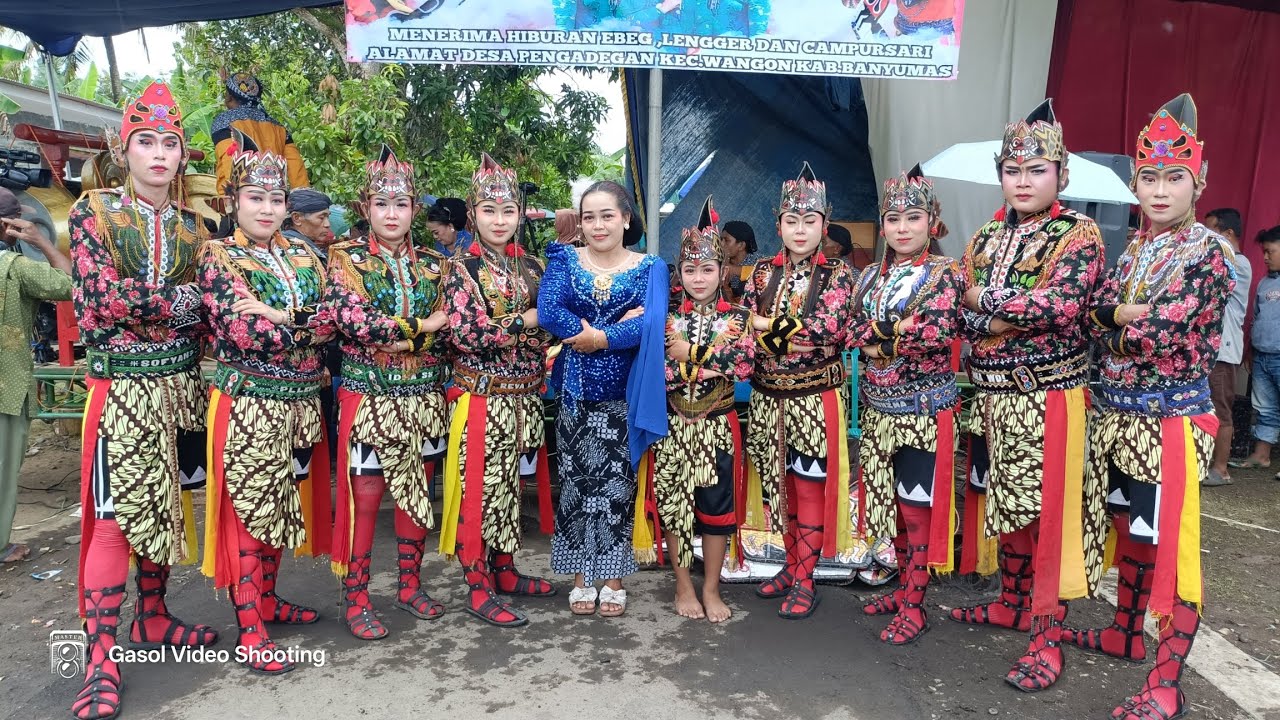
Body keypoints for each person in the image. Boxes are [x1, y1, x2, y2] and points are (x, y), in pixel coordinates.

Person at [1072, 93, 1234, 720]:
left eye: (1174, 177)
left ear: (1199, 180)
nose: (1159, 190)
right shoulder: (1135, 249)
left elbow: (1160, 334)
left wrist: (1118, 324)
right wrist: (1119, 318)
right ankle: (1122, 631)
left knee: (1172, 550)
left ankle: (1167, 683)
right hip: (1117, 417)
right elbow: (1096, 315)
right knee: (1131, 535)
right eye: (1149, 177)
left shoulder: (1208, 253)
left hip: (1168, 423)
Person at [68, 81, 218, 720]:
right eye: (145, 141)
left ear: (182, 156)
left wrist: (178, 310)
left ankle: (152, 617)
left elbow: (211, 306)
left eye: (170, 143)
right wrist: (176, 307)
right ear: (123, 150)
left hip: (180, 388)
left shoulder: (195, 228)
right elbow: (100, 299)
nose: (159, 153)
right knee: (111, 517)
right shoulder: (92, 214)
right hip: (123, 391)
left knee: (166, 504)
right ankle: (98, 660)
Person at [954, 99, 1106, 692]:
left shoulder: (1079, 233)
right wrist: (990, 315)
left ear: (1061, 175)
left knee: (1048, 520)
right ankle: (1013, 605)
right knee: (1007, 511)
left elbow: (1061, 307)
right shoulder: (989, 233)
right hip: (991, 401)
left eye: (1036, 170)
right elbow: (957, 303)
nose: (1022, 180)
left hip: (1048, 401)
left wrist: (984, 308)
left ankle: (1048, 638)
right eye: (1012, 170)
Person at [199, 147, 333, 675]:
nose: (266, 209)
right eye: (255, 198)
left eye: (275, 199)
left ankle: (270, 600)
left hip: (301, 403)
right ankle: (250, 626)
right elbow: (242, 332)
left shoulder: (305, 256)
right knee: (251, 511)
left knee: (280, 505)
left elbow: (334, 323)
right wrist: (302, 323)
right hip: (251, 403)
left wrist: (278, 313)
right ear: (233, 200)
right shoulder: (218, 257)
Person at [326, 146, 452, 639]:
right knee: (366, 497)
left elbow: (452, 328)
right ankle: (356, 596)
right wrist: (421, 328)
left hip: (423, 399)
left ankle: (408, 584)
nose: (392, 214)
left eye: (401, 205)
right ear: (366, 209)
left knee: (416, 493)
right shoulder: (345, 259)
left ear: (415, 210)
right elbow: (355, 324)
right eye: (382, 204)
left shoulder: (435, 267)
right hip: (369, 398)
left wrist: (402, 334)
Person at [538, 180, 669, 618]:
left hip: (623, 394)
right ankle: (580, 577)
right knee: (575, 485)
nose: (597, 225)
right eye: (588, 216)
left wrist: (598, 336)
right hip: (574, 390)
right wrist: (610, 330)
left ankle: (611, 578)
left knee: (615, 487)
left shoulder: (651, 267)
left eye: (606, 215)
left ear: (626, 219)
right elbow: (550, 311)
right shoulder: (564, 260)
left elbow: (651, 326)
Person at [438, 153, 557, 627]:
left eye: (508, 211)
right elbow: (469, 335)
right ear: (473, 215)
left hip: (525, 397)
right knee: (478, 493)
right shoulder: (457, 268)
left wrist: (517, 325)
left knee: (511, 488)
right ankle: (476, 584)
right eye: (489, 211)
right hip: (483, 399)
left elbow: (551, 324)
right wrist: (523, 322)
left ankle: (505, 571)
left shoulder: (531, 264)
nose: (500, 220)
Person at [850, 165, 961, 645]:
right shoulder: (871, 274)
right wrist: (889, 337)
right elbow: (850, 328)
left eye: (913, 218)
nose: (902, 228)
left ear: (931, 221)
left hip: (921, 410)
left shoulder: (946, 272)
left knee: (918, 508)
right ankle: (902, 588)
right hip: (878, 411)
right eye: (893, 218)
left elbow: (935, 331)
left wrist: (881, 343)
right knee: (891, 505)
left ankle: (915, 605)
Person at [744, 162, 856, 620]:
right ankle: (791, 567)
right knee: (780, 486)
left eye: (810, 221)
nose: (801, 230)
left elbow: (826, 331)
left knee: (809, 486)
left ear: (824, 226)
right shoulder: (759, 275)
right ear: (779, 225)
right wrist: (780, 330)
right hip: (769, 397)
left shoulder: (840, 276)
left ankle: (806, 578)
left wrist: (768, 324)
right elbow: (748, 330)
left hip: (813, 399)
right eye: (792, 221)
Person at [651, 196, 754, 623]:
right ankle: (682, 585)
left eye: (707, 269)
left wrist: (689, 355)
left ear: (723, 271)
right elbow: (662, 375)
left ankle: (710, 588)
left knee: (716, 511)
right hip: (675, 427)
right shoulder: (665, 317)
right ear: (679, 272)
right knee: (675, 507)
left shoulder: (740, 316)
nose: (698, 278)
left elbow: (744, 365)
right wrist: (711, 362)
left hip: (716, 428)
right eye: (690, 270)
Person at [0, 189, 72, 566]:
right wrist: (42, 240)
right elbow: (72, 284)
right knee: (3, 465)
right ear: (9, 225)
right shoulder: (16, 269)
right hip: (5, 385)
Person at [1203, 207, 1251, 486]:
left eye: (1211, 231)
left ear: (1228, 233)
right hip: (1213, 349)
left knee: (1221, 409)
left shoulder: (1239, 262)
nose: (1206, 237)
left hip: (1223, 349)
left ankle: (1221, 468)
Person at [212, 71, 310, 194]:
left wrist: (228, 199)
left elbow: (229, 162)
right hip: (274, 198)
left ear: (229, 97)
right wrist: (304, 200)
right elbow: (297, 172)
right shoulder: (278, 127)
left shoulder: (224, 121)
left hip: (242, 199)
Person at [1236, 226, 1280, 474]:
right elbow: (1256, 318)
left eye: (1269, 251)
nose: (1264, 257)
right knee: (1265, 408)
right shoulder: (1265, 283)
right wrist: (1251, 350)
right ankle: (1262, 455)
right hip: (1263, 356)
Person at [284, 188, 336, 262]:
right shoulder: (295, 252)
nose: (327, 224)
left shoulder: (307, 247)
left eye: (327, 217)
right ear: (297, 218)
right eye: (321, 218)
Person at [720, 219, 757, 304]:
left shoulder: (759, 262)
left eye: (726, 240)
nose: (721, 244)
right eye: (721, 239)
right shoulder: (719, 263)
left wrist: (731, 269)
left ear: (741, 245)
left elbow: (762, 274)